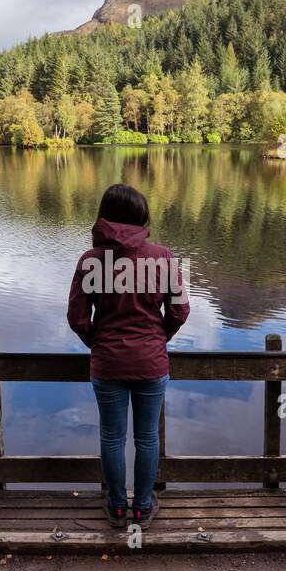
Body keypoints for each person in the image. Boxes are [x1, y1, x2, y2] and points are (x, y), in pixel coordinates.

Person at [67, 183, 190, 528]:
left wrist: (99, 343)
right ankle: (144, 506)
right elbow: (180, 311)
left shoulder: (90, 261)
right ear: (142, 217)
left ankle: (118, 507)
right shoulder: (164, 257)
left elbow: (77, 317)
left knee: (111, 436)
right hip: (151, 362)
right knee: (147, 436)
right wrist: (156, 338)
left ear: (103, 217)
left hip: (107, 364)